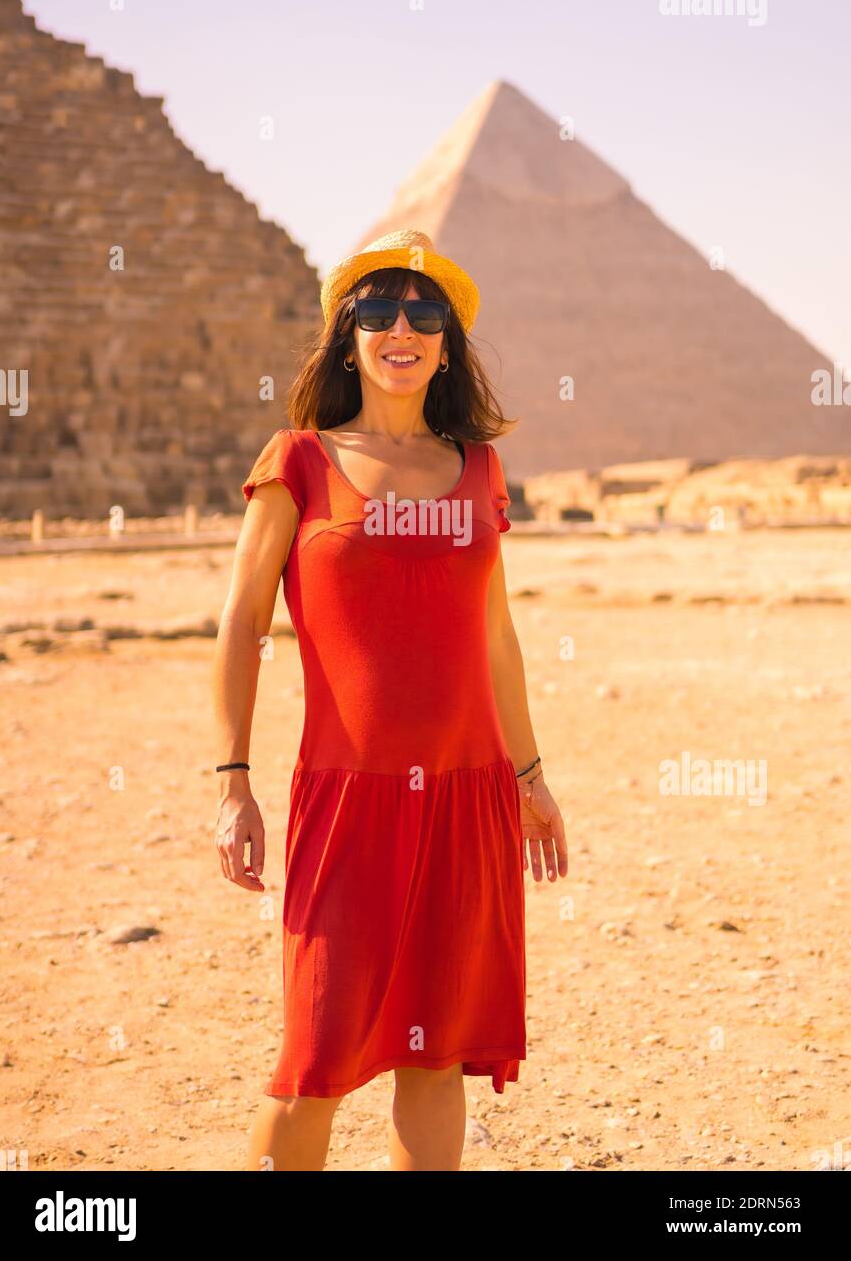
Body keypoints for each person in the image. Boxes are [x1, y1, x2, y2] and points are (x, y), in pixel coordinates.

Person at [212, 229, 568, 1171]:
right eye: (377, 310)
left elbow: (496, 638)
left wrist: (531, 776)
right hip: (348, 801)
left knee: (436, 1053)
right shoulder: (297, 462)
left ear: (448, 343)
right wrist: (233, 784)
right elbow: (241, 626)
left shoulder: (481, 471)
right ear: (347, 336)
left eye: (424, 313)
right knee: (315, 1060)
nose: (400, 327)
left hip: (468, 794)